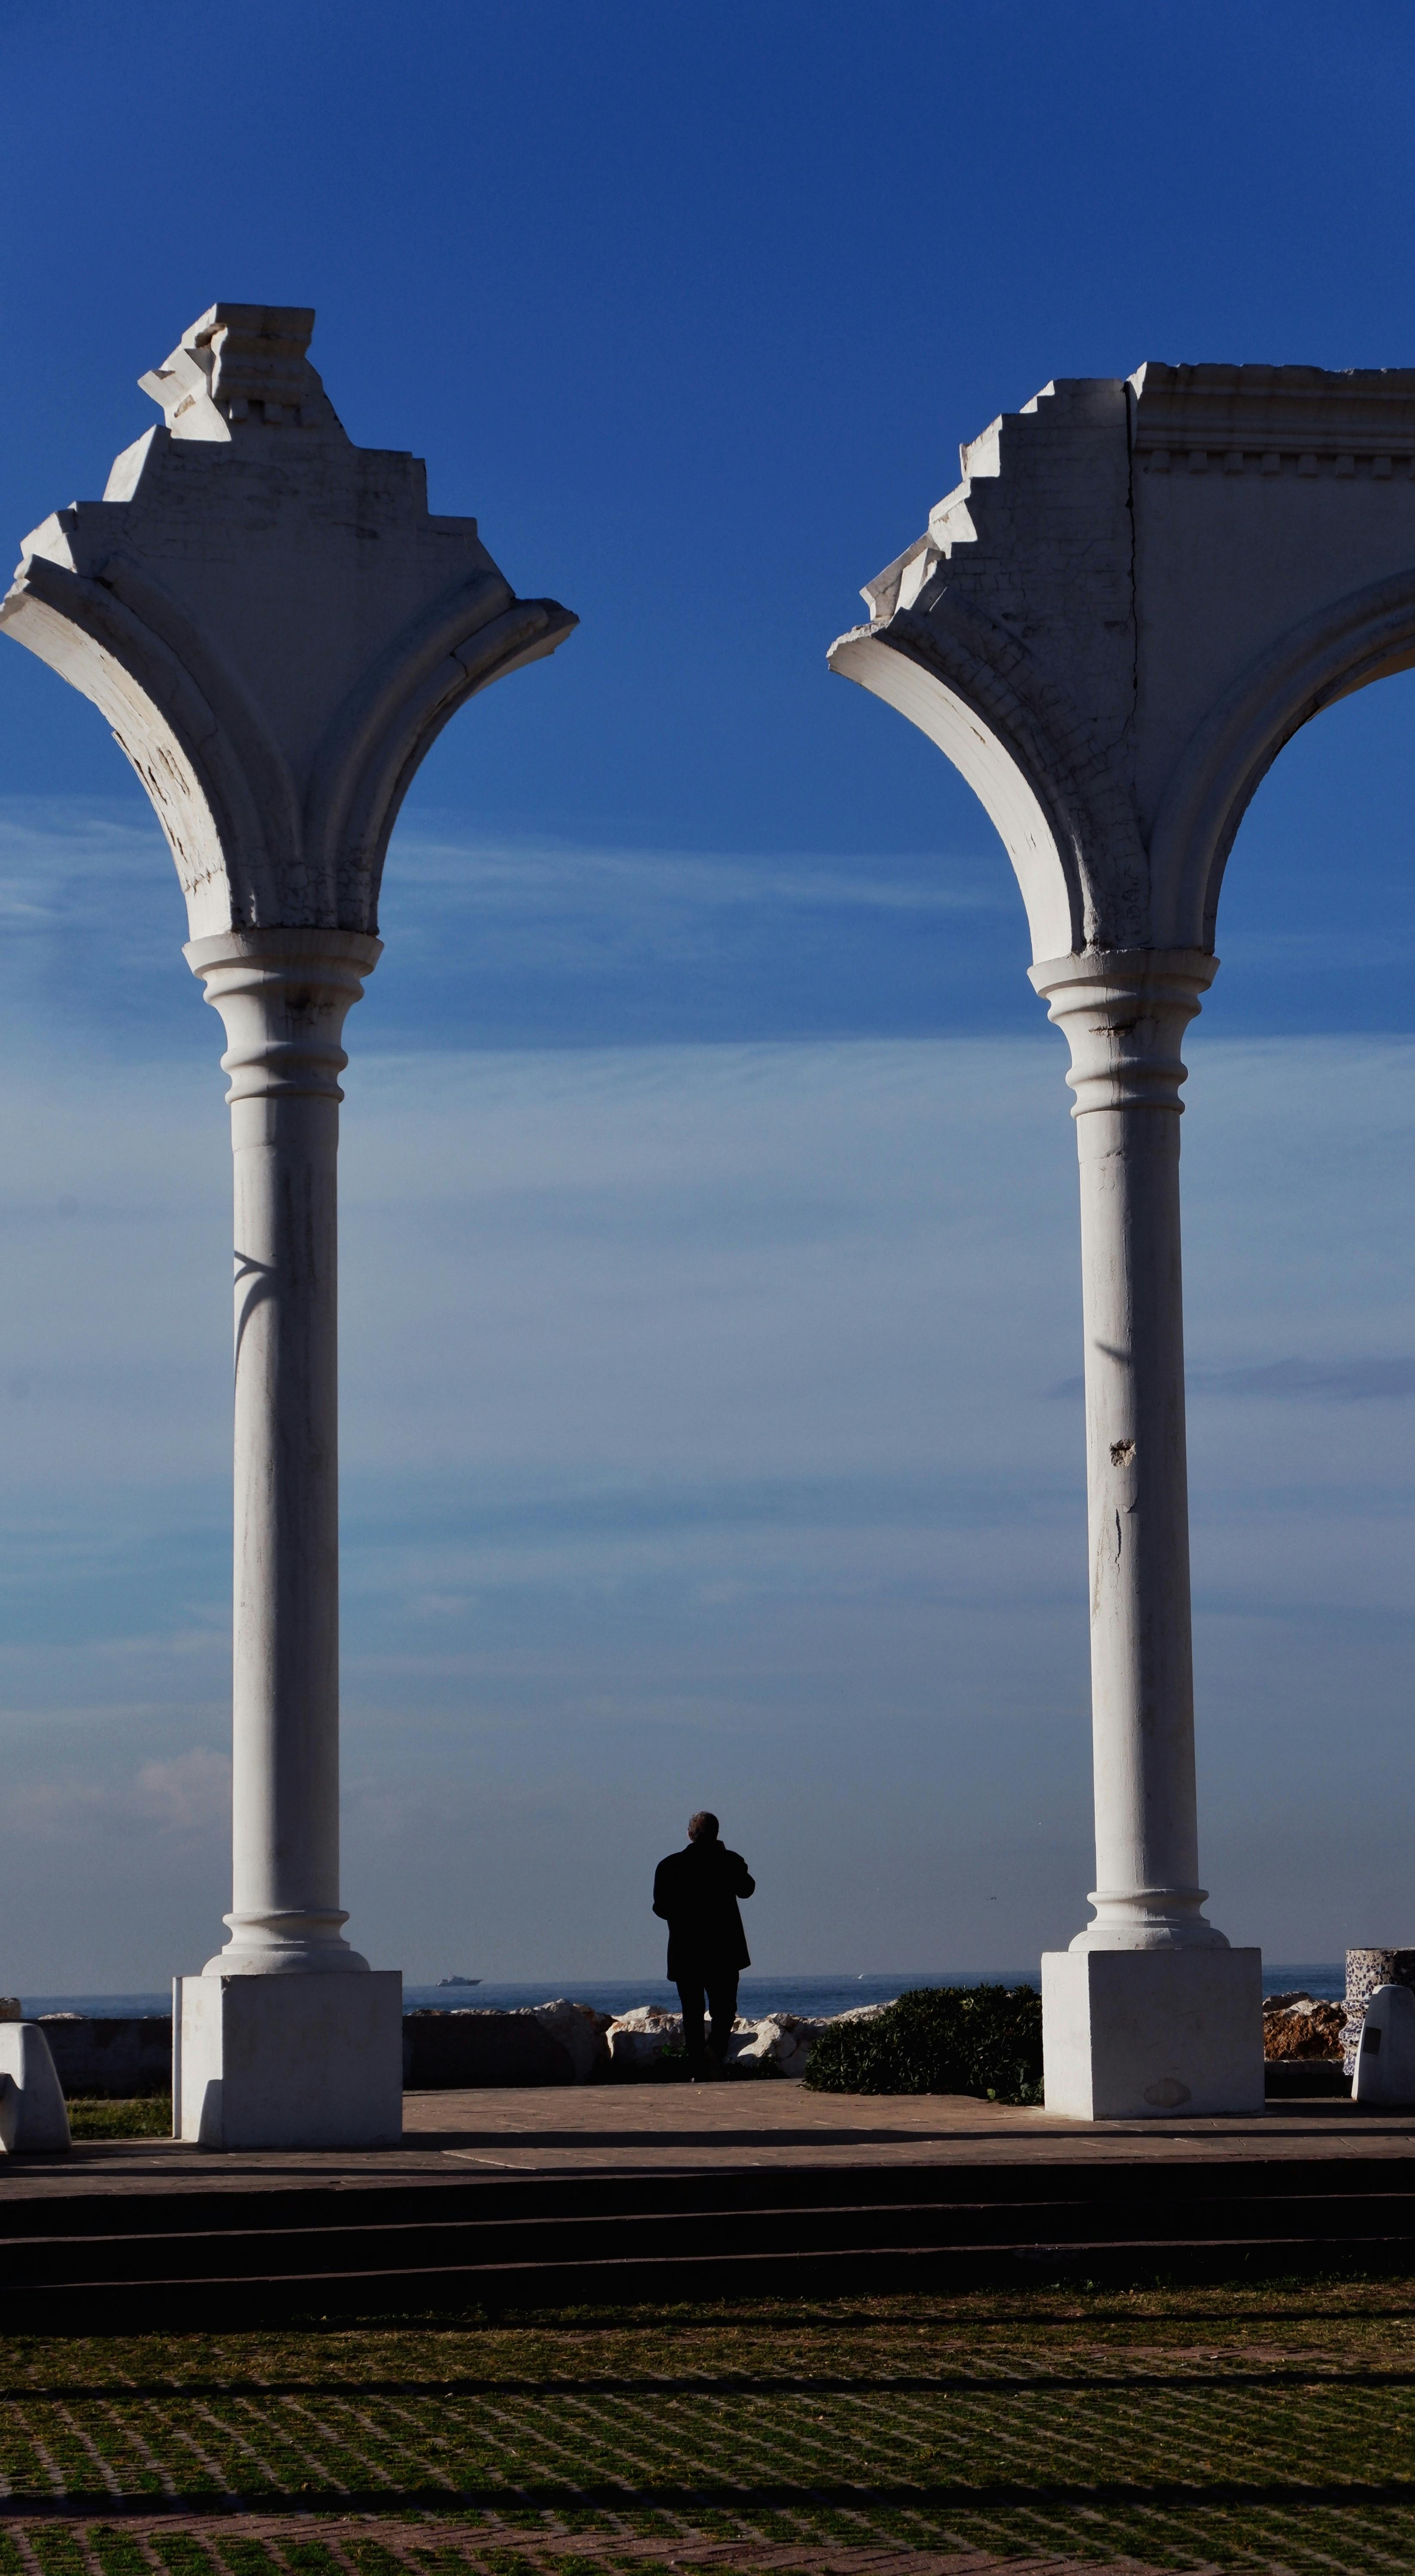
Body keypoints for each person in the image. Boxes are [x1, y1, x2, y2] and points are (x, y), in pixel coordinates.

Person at [652, 1810, 755, 2078]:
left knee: (692, 2012)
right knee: (725, 2010)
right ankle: (715, 2052)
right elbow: (747, 1889)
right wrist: (725, 1857)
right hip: (724, 1951)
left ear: (690, 1835)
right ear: (717, 1835)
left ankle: (698, 2065)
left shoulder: (670, 1866)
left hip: (686, 1952)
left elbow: (661, 1908)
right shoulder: (729, 1861)